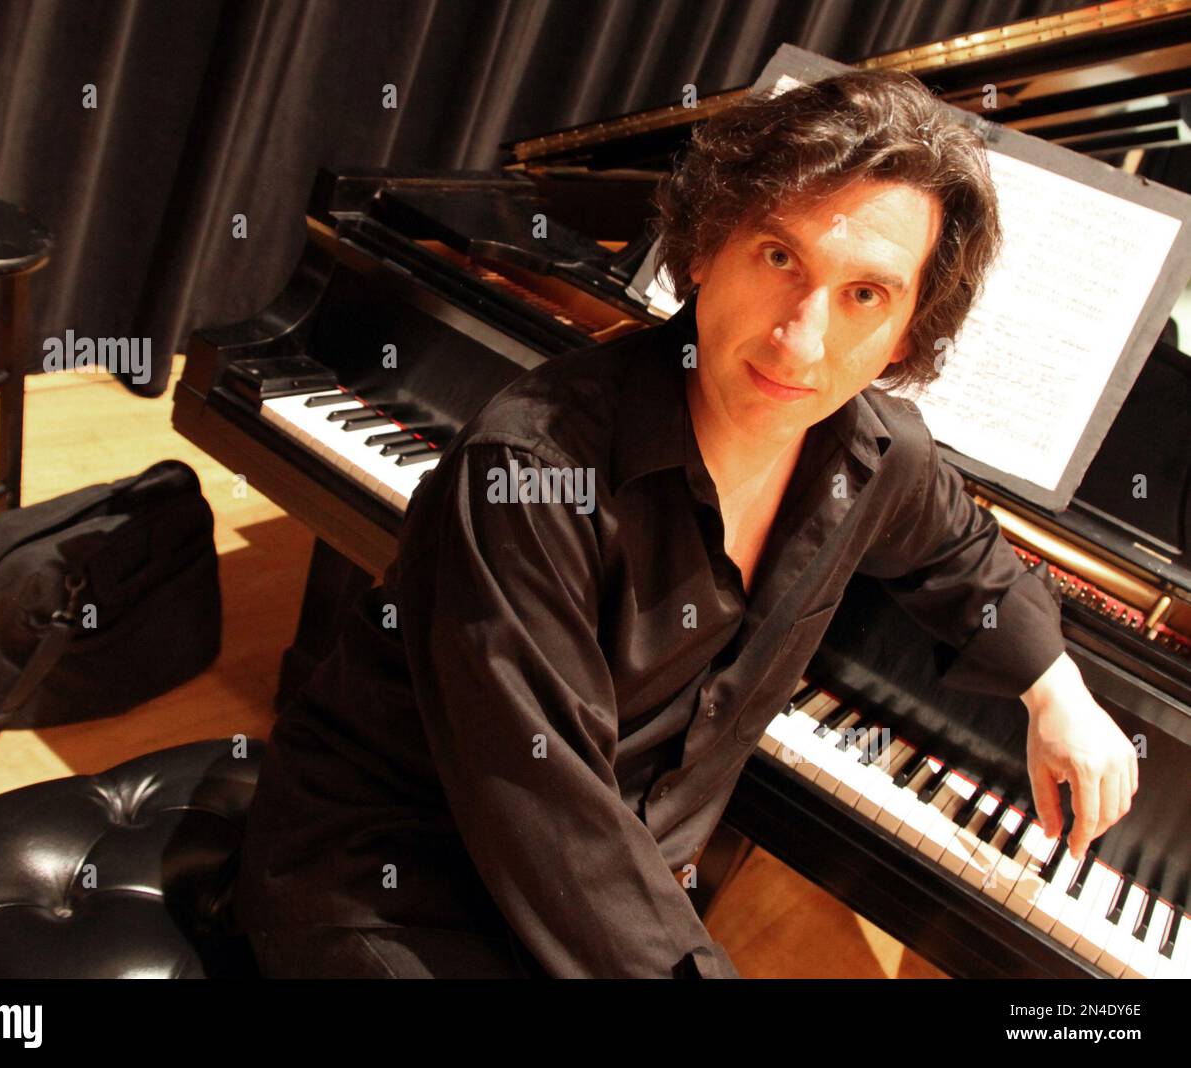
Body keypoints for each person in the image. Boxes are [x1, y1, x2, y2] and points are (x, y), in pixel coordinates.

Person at [233, 67, 1139, 979]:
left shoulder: (873, 455)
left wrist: (1054, 687)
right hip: (400, 882)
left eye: (866, 294)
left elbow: (960, 553)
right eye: (780, 257)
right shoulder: (533, 474)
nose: (802, 340)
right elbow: (544, 809)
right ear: (706, 246)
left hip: (610, 885)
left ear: (908, 330)